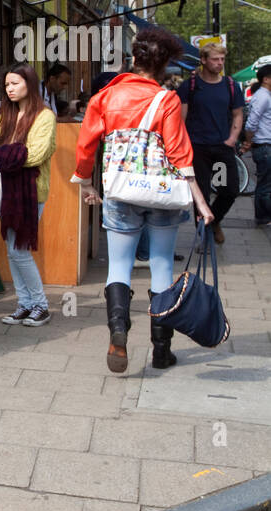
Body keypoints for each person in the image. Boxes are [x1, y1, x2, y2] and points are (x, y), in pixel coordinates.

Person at [73, 28, 214, 372]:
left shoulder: (105, 98)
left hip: (121, 191)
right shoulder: (166, 100)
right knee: (162, 264)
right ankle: (161, 350)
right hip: (163, 194)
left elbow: (86, 145)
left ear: (133, 59)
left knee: (119, 265)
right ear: (164, 65)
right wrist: (201, 202)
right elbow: (181, 154)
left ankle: (118, 332)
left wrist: (84, 184)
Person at [0, 64, 57, 327]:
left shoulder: (44, 116)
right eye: (6, 85)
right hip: (9, 191)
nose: (9, 89)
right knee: (14, 251)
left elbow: (36, 154)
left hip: (31, 191)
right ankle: (25, 304)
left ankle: (40, 305)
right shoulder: (6, 115)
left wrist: (7, 154)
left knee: (19, 249)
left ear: (29, 83)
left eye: (14, 83)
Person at [178, 43, 244, 244]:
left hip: (221, 147)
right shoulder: (189, 85)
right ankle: (205, 235)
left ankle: (215, 220)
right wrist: (184, 144)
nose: (220, 63)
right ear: (204, 60)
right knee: (202, 194)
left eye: (222, 59)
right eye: (215, 59)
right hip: (198, 148)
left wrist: (232, 139)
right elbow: (181, 118)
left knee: (229, 190)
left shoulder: (230, 85)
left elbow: (238, 114)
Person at [240, 63, 271, 225]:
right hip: (264, 146)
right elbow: (252, 123)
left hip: (264, 145)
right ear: (266, 79)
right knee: (266, 184)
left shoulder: (263, 95)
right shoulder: (263, 96)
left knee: (265, 182)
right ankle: (264, 216)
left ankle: (263, 216)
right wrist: (248, 141)